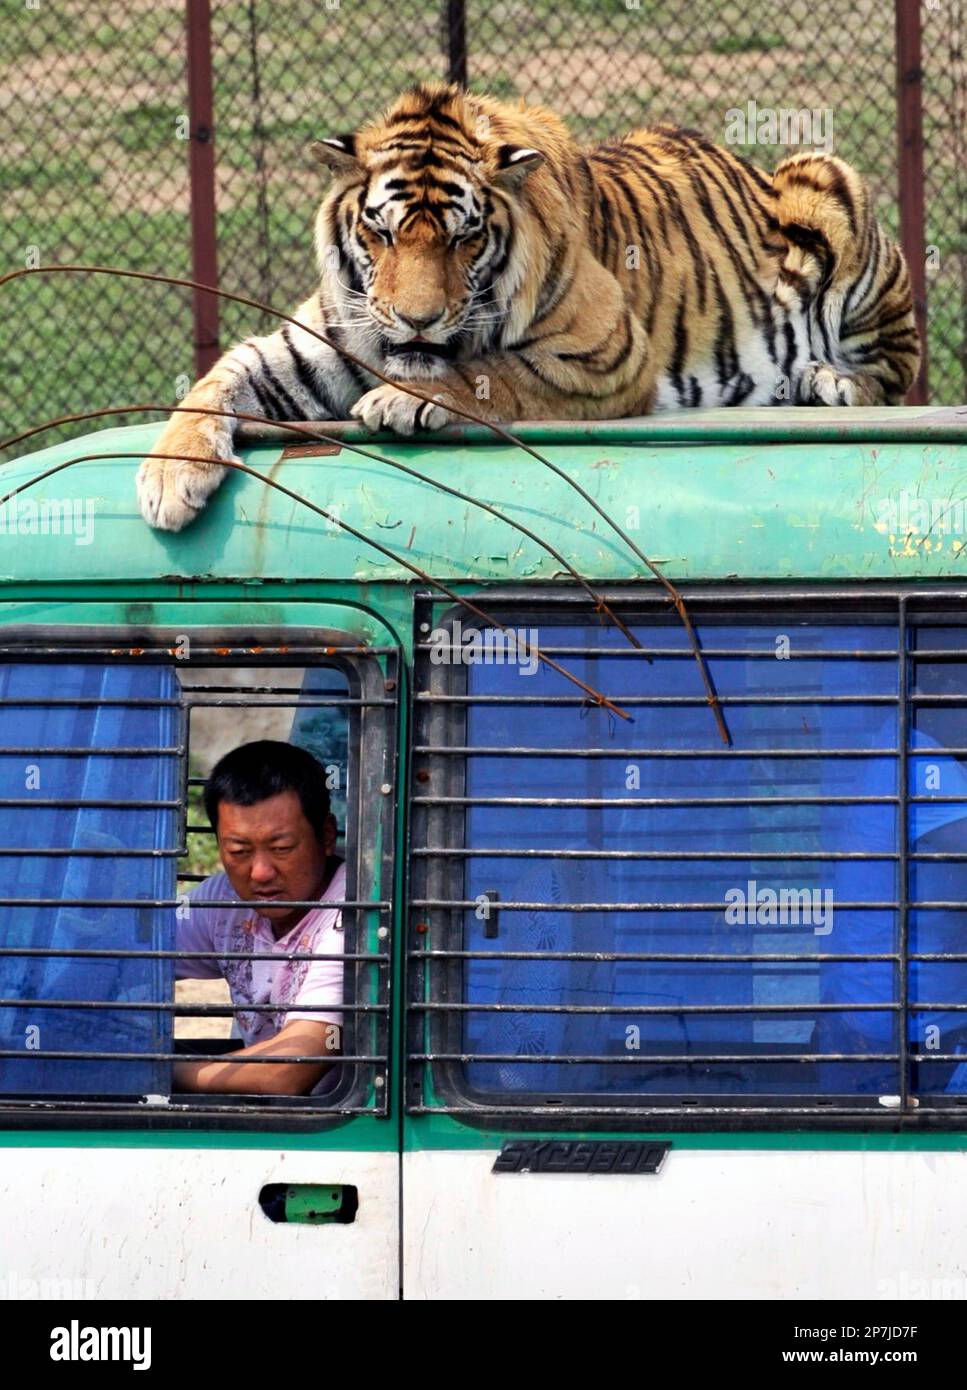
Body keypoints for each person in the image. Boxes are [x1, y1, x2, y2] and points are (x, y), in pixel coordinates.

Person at [174, 741, 344, 1096]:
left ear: (326, 835)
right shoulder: (224, 899)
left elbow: (286, 1072)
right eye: (239, 851)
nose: (260, 873)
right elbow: (134, 952)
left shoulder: (352, 914)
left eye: (281, 848)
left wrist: (149, 1070)